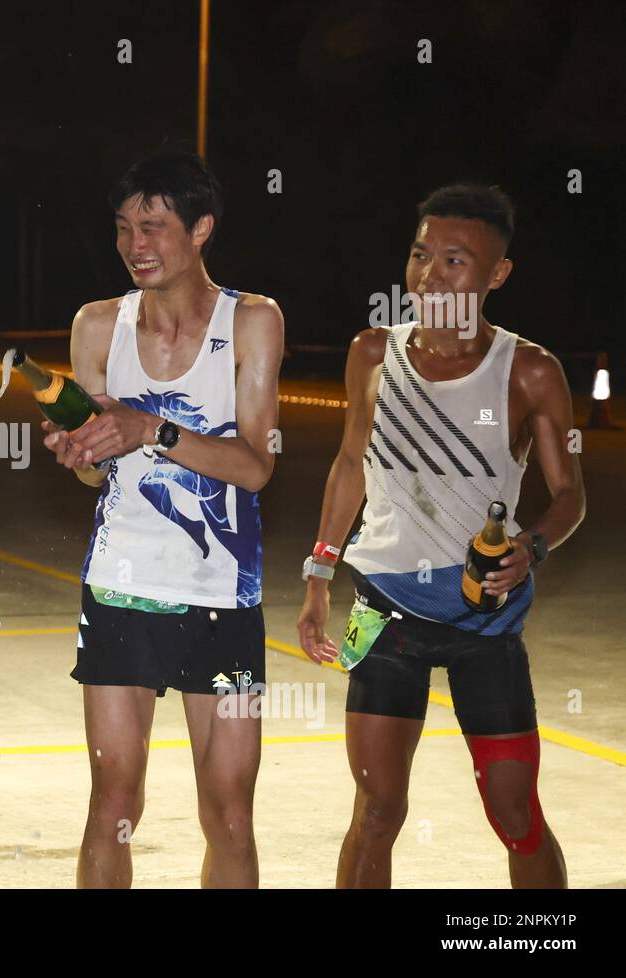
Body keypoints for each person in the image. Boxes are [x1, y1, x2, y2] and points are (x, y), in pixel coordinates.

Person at [296, 183, 584, 888]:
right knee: (375, 808)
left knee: (514, 813)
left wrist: (534, 547)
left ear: (497, 274)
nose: (430, 274)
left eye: (456, 261)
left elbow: (570, 494)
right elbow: (349, 463)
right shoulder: (371, 353)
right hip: (379, 612)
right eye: (421, 254)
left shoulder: (530, 370)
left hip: (485, 619)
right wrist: (316, 574)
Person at [44, 147, 285, 888]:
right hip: (120, 586)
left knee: (230, 814)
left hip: (224, 595)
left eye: (153, 227)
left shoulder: (253, 322)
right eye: (123, 228)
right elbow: (93, 473)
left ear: (202, 227)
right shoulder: (96, 325)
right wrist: (78, 446)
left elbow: (255, 465)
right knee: (114, 802)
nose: (134, 246)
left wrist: (150, 428)